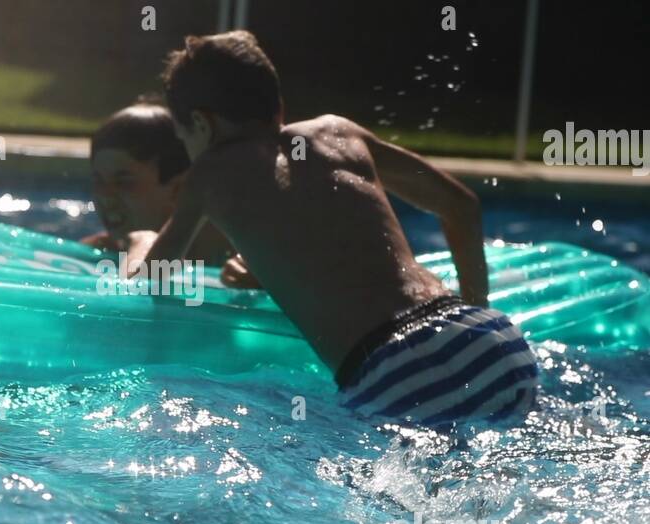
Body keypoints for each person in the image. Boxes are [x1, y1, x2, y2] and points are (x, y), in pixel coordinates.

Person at [128, 31, 538, 426]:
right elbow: (461, 206)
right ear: (278, 105)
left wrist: (140, 240)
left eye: (183, 137)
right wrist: (476, 308)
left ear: (201, 124)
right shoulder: (338, 132)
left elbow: (152, 275)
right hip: (489, 341)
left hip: (391, 371)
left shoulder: (210, 173)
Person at [87, 101, 241, 271]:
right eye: (98, 180)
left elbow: (137, 288)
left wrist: (144, 246)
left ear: (178, 190)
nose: (104, 195)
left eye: (124, 182)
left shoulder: (234, 253)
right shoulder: (101, 249)